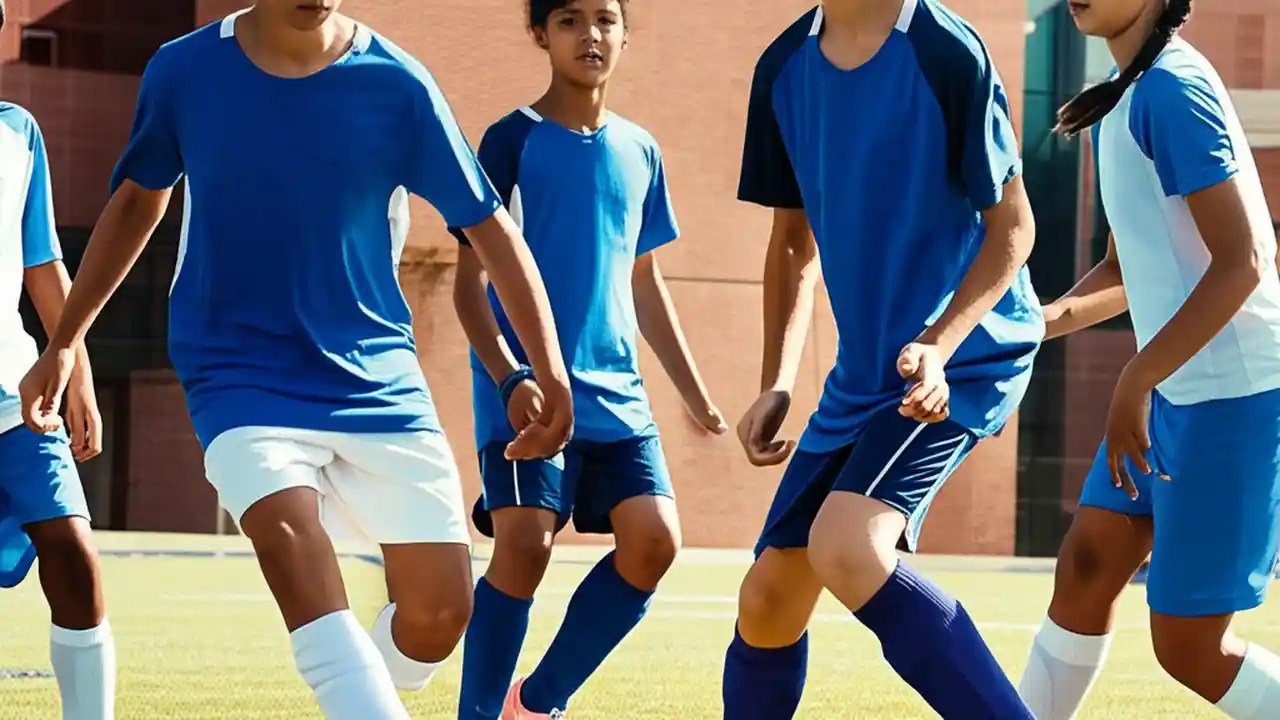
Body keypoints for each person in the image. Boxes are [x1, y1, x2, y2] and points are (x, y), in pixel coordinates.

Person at [17, 2, 574, 719]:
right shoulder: (185, 70)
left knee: (440, 615)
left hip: (377, 375)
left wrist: (547, 369)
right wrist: (66, 341)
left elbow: (489, 226)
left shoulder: (399, 83)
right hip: (235, 369)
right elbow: (136, 204)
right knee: (286, 532)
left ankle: (369, 683)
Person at [719, 0, 1043, 717]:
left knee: (849, 546)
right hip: (863, 377)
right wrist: (776, 381)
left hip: (966, 357)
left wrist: (938, 345)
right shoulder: (783, 66)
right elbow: (793, 242)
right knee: (768, 601)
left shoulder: (944, 49)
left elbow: (1014, 228)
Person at [450, 1, 725, 717]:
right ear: (539, 34)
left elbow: (643, 279)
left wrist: (694, 394)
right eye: (569, 20)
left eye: (605, 19)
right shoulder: (509, 141)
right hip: (526, 393)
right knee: (525, 546)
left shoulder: (641, 149)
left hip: (618, 396)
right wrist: (510, 376)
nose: (590, 35)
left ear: (626, 34)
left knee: (654, 544)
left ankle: (535, 703)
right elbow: (467, 288)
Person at [1017, 1, 1280, 718]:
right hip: (1173, 391)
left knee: (1190, 648)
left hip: (1233, 401)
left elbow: (1246, 259)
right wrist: (1035, 325)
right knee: (1088, 564)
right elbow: (1125, 266)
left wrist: (1136, 378)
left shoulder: (1172, 89)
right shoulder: (1126, 95)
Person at [0, 8, 113, 719]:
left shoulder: (18, 132)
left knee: (73, 553)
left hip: (16, 397)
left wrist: (80, 377)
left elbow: (44, 267)